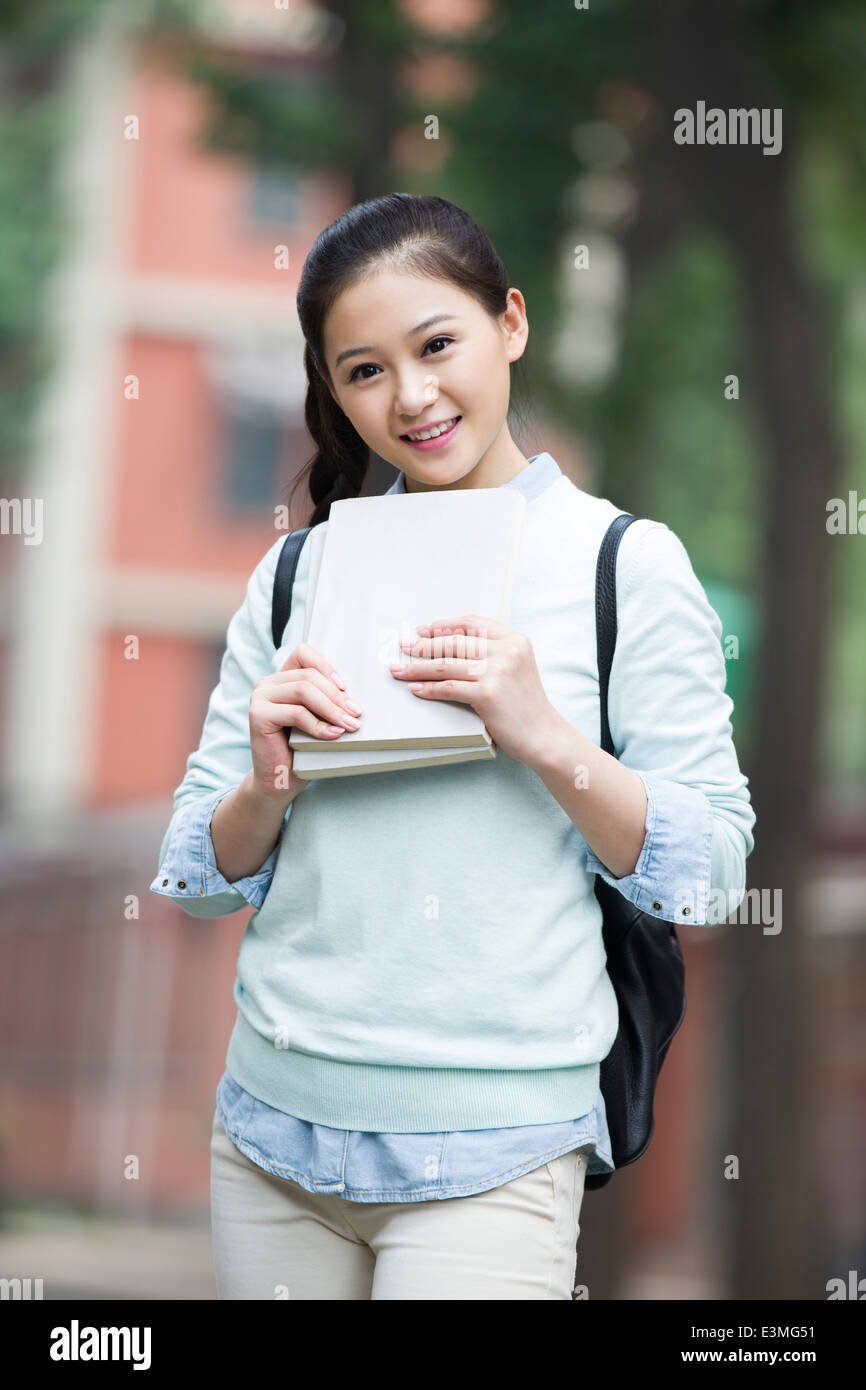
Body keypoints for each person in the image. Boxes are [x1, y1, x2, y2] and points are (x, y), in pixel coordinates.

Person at [150, 193, 755, 1300]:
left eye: (438, 345)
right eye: (363, 370)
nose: (412, 396)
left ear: (509, 323)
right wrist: (264, 785)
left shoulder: (623, 564)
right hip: (272, 1137)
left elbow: (712, 872)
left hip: (497, 1148)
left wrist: (544, 736)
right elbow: (193, 874)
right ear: (330, 391)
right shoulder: (296, 573)